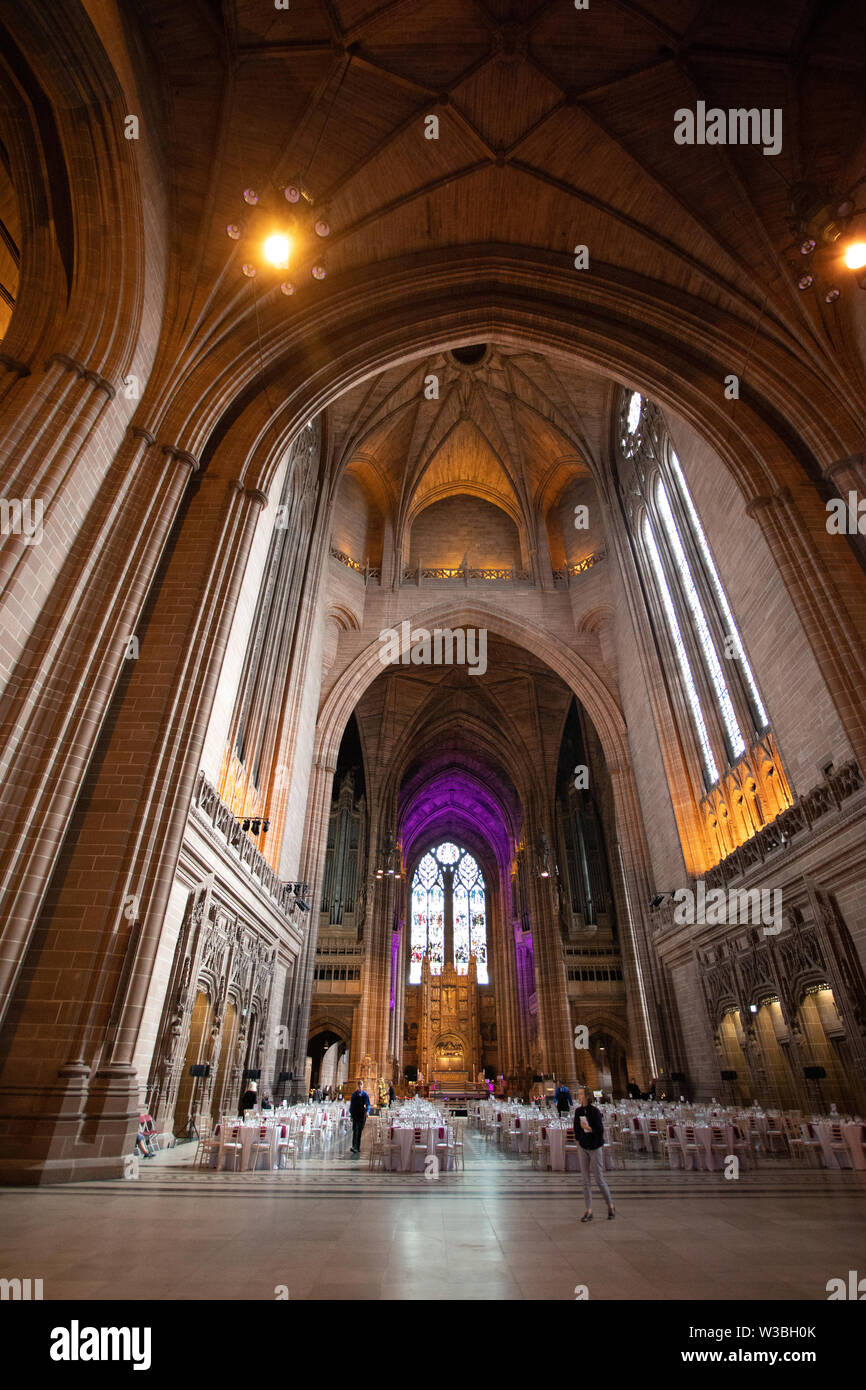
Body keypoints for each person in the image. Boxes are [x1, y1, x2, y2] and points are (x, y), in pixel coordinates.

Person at [574, 1085, 615, 1222]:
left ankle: (610, 1205)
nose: (578, 1096)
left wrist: (588, 1128)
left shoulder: (595, 1111)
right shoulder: (578, 1111)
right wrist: (579, 1139)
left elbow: (599, 1130)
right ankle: (589, 1210)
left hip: (595, 1146)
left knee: (598, 1178)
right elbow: (576, 1129)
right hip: (583, 1146)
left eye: (580, 1094)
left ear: (586, 1096)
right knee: (585, 1180)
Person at [349, 1080, 370, 1155]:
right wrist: (351, 1114)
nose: (360, 1087)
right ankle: (354, 1146)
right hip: (355, 1114)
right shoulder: (354, 1094)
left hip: (362, 1114)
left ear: (362, 1086)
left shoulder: (365, 1094)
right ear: (357, 1086)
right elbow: (352, 1105)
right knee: (355, 1130)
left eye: (361, 1085)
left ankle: (358, 1147)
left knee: (360, 1131)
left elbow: (368, 1104)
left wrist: (367, 1111)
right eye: (359, 1085)